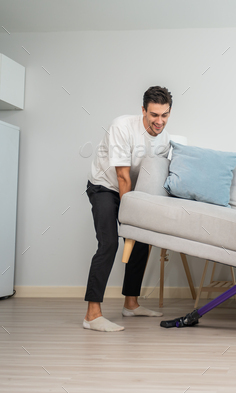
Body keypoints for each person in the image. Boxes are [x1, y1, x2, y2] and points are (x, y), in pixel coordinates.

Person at [83, 86, 174, 332]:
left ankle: (131, 304)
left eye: (164, 115)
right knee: (110, 243)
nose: (159, 121)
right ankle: (92, 314)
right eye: (154, 115)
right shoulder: (122, 127)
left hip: (132, 190)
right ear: (143, 110)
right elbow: (122, 177)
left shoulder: (164, 140)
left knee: (142, 240)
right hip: (104, 185)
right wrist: (128, 219)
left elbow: (152, 177)